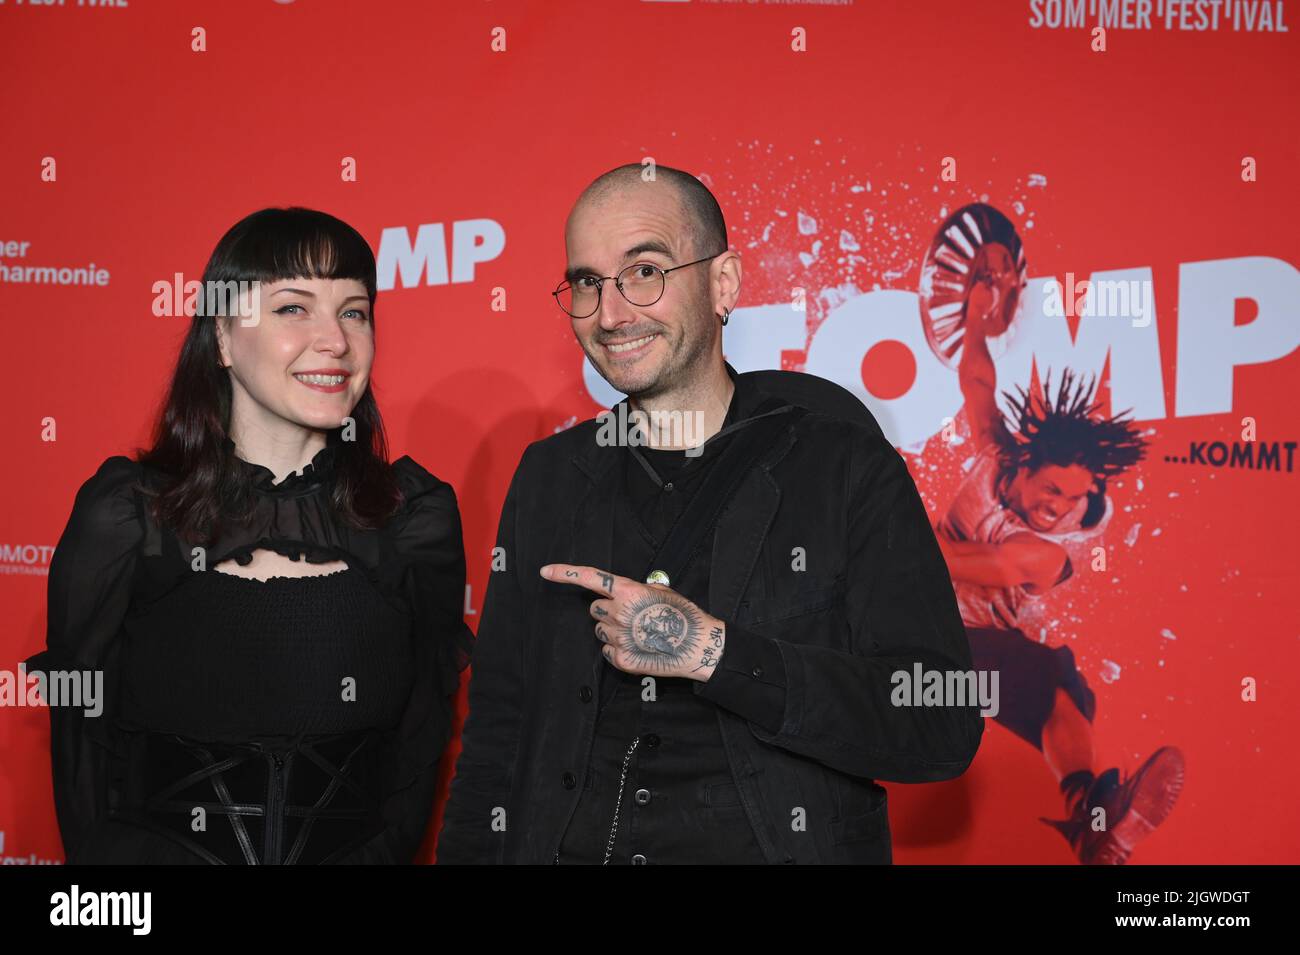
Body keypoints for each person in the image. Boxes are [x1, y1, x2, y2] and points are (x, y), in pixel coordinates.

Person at [437, 163, 984, 865]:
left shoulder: (839, 464)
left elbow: (940, 720)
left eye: (644, 271)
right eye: (586, 283)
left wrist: (716, 654)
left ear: (723, 283)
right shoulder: (550, 475)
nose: (610, 313)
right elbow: (497, 740)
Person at [24, 207, 473, 864]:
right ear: (224, 339)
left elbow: (416, 758)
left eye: (354, 311)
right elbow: (83, 761)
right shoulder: (127, 516)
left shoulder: (415, 519)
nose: (336, 341)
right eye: (294, 308)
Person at [934, 304, 1184, 865]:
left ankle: (1093, 820)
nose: (1059, 508)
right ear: (1021, 469)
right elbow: (977, 380)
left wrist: (882, 511)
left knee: (1058, 677)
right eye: (1051, 491)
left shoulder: (1045, 554)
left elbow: (948, 561)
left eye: (1072, 498)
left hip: (959, 657)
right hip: (905, 641)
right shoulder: (997, 454)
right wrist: (975, 315)